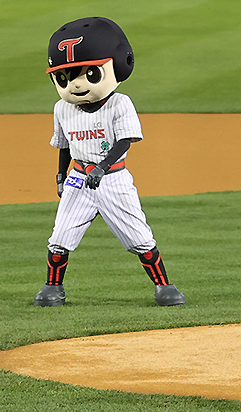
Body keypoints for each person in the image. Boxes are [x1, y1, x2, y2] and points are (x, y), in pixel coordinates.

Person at [33, 16, 186, 308]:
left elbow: (125, 140)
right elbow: (64, 145)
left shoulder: (119, 104)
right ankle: (52, 288)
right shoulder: (62, 108)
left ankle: (164, 287)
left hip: (113, 180)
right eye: (64, 78)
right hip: (79, 179)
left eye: (89, 73)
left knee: (138, 235)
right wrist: (60, 176)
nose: (75, 85)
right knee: (60, 235)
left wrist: (102, 168)